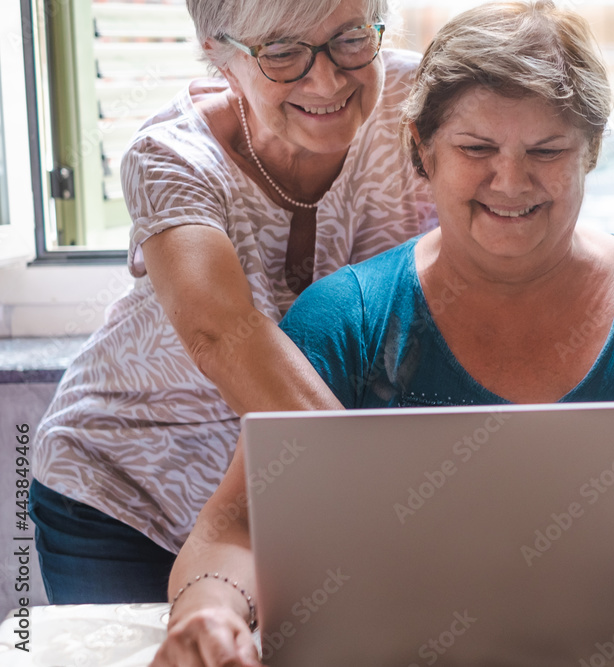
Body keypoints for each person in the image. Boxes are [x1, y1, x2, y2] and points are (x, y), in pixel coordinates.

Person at [153, 2, 614, 664]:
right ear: (423, 152)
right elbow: (232, 529)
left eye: (546, 150)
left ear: (591, 152)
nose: (510, 181)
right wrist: (211, 607)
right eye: (476, 148)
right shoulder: (348, 317)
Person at [29, 0, 435, 604]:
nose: (325, 81)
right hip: (125, 486)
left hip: (288, 490)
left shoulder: (423, 101)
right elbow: (221, 333)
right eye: (281, 52)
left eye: (350, 39)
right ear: (219, 54)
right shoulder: (170, 156)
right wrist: (390, 518)